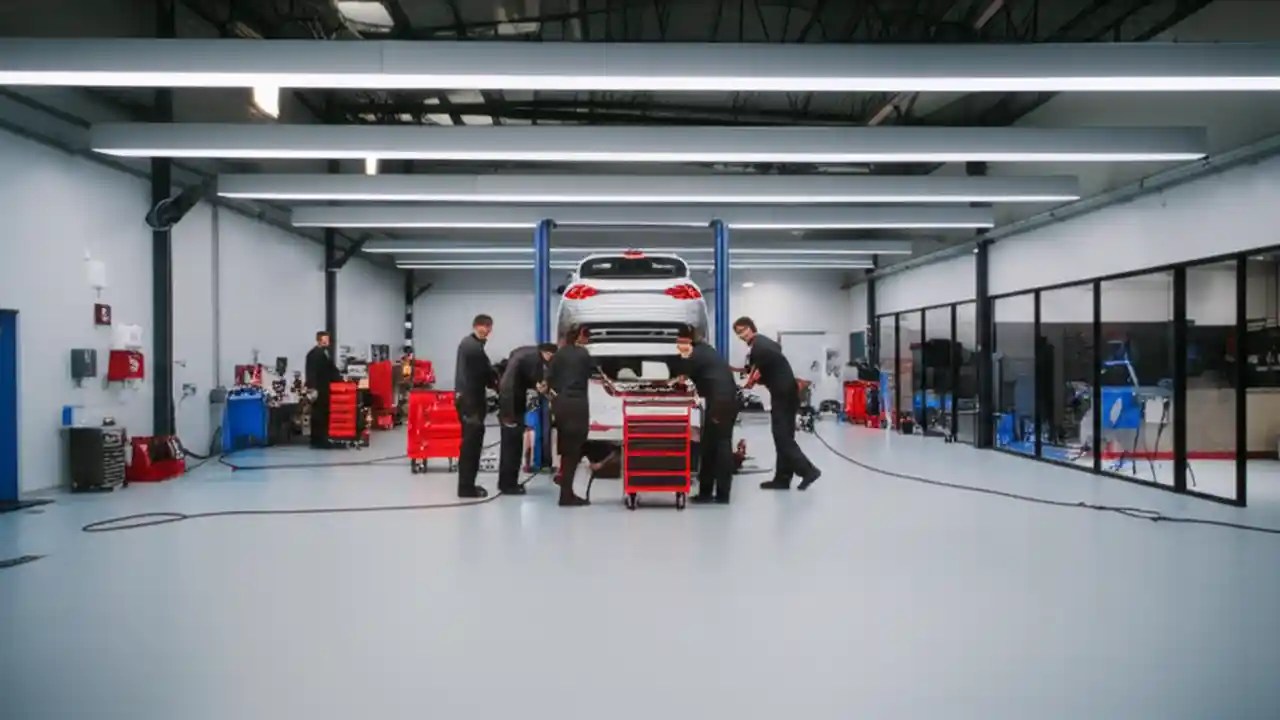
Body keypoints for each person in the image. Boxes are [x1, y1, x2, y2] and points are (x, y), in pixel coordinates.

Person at [733, 317, 822, 491]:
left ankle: (808, 471)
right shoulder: (765, 343)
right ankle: (782, 479)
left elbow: (754, 373)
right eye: (738, 333)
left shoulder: (759, 348)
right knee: (784, 436)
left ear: (752, 328)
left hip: (783, 395)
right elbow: (764, 366)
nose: (741, 335)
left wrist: (750, 380)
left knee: (782, 437)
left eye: (743, 330)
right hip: (786, 393)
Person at [674, 327, 739, 504]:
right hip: (722, 400)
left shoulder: (695, 354)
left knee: (721, 446)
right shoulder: (706, 351)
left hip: (720, 403)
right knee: (709, 446)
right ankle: (706, 492)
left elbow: (681, 374)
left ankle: (723, 494)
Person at [546, 325, 597, 507]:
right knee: (574, 451)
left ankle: (566, 492)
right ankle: (566, 495)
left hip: (561, 405)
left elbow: (548, 380)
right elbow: (595, 372)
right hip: (576, 406)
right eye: (587, 337)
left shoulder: (558, 355)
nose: (588, 341)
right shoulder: (583, 354)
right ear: (580, 336)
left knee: (566, 450)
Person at [496, 342, 557, 495]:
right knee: (513, 448)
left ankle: (505, 483)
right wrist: (551, 393)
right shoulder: (535, 359)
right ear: (548, 354)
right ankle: (509, 486)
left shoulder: (521, 352)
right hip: (512, 405)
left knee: (508, 446)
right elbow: (540, 385)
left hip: (507, 402)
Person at [454, 314, 496, 498]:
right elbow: (486, 374)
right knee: (472, 446)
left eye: (488, 327)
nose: (486, 330)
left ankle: (467, 484)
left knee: (470, 444)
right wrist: (499, 383)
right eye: (483, 326)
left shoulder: (469, 345)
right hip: (471, 403)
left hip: (468, 400)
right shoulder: (472, 347)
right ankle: (466, 488)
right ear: (475, 326)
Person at [305, 330, 341, 449]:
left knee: (323, 413)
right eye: (325, 339)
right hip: (318, 388)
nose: (327, 342)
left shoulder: (325, 354)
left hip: (325, 388)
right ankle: (318, 439)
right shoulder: (313, 354)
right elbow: (311, 372)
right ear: (319, 340)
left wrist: (340, 379)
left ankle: (320, 438)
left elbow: (331, 370)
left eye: (328, 339)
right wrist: (312, 388)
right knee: (318, 414)